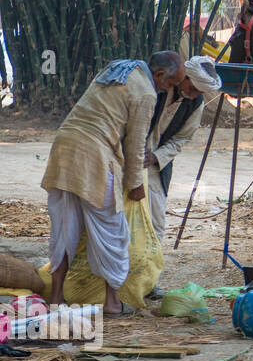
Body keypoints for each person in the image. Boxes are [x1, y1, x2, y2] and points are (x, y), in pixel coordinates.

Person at [41, 51, 186, 314]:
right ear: (159, 75)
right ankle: (112, 302)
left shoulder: (118, 68)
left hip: (63, 148)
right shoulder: (146, 93)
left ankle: (56, 298)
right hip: (94, 156)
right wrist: (135, 185)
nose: (170, 89)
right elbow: (135, 145)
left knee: (64, 230)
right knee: (112, 233)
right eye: (172, 83)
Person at [145, 56, 222, 246]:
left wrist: (157, 156)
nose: (194, 95)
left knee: (156, 225)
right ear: (184, 77)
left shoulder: (195, 104)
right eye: (193, 89)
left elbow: (181, 138)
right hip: (125, 159)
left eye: (199, 92)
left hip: (156, 165)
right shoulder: (155, 86)